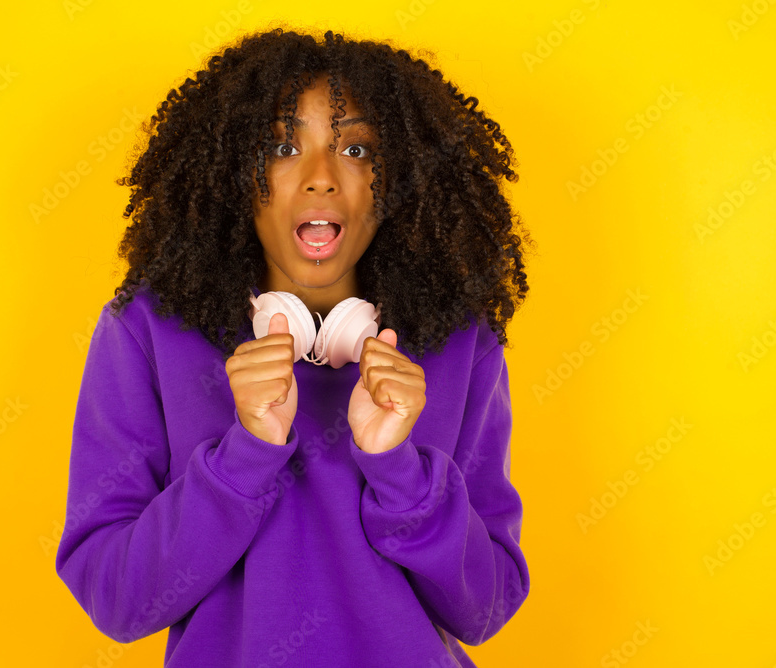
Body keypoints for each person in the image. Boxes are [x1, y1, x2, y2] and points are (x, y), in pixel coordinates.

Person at [56, 27, 534, 668]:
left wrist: (400, 471)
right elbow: (118, 601)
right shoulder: (147, 329)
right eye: (283, 146)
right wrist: (242, 458)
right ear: (232, 175)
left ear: (397, 183)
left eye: (357, 149)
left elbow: (485, 607)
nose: (320, 178)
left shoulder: (458, 341)